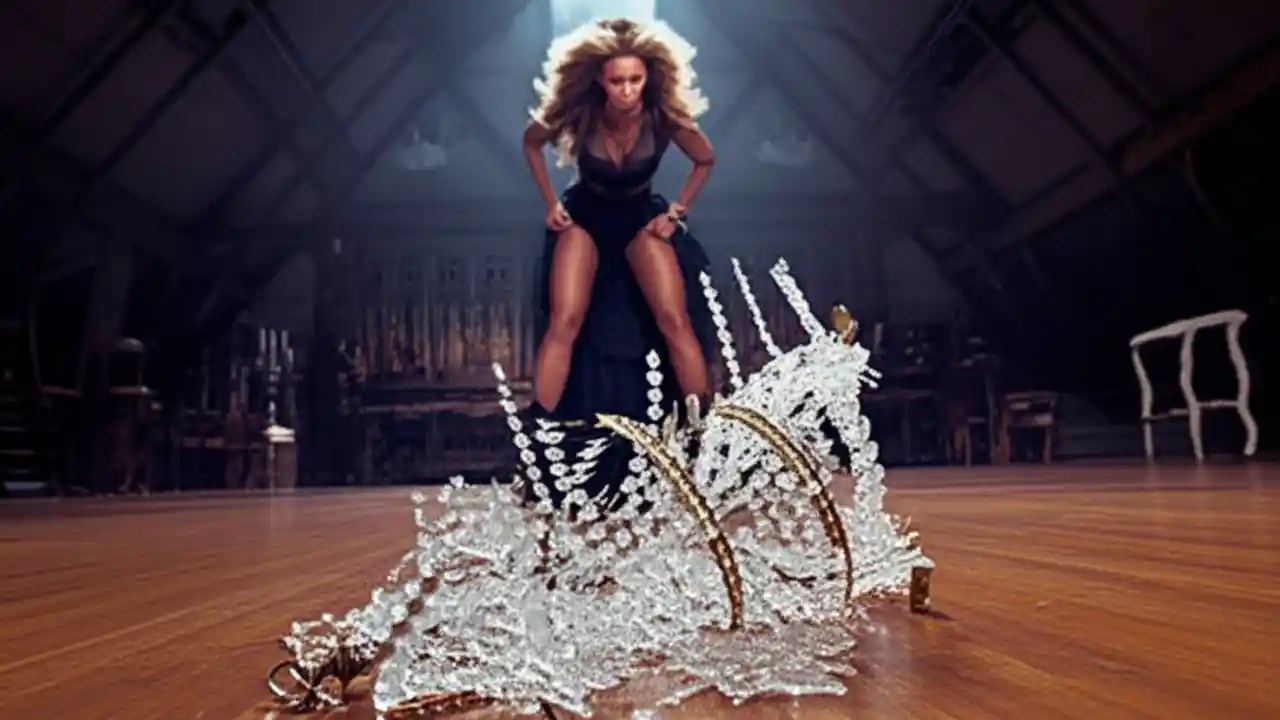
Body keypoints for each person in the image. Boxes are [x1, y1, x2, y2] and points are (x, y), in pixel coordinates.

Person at [522, 17, 717, 427]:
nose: (627, 90)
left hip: (639, 217)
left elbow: (705, 159)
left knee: (674, 320)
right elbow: (532, 142)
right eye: (617, 82)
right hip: (586, 215)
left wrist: (676, 213)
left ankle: (705, 432)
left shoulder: (662, 116)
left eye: (635, 79)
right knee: (565, 321)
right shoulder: (580, 111)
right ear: (599, 80)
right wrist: (550, 203)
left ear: (648, 77)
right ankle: (539, 436)